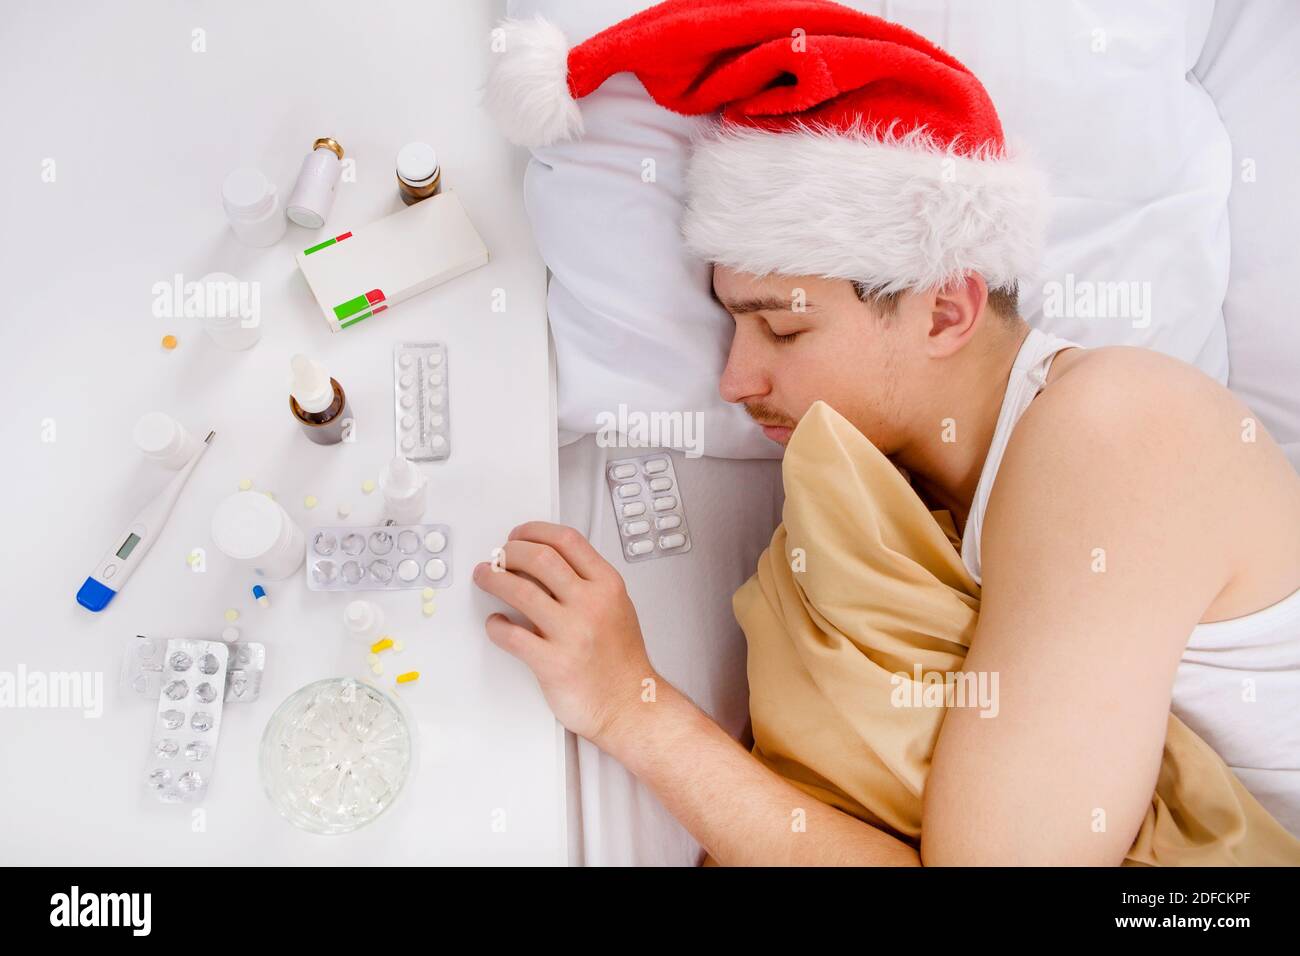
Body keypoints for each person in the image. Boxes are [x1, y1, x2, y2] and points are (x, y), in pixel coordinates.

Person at [480, 0, 1300, 863]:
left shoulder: (1117, 425)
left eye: (784, 330)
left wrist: (629, 706)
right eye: (730, 326)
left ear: (946, 309)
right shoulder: (899, 502)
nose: (733, 381)